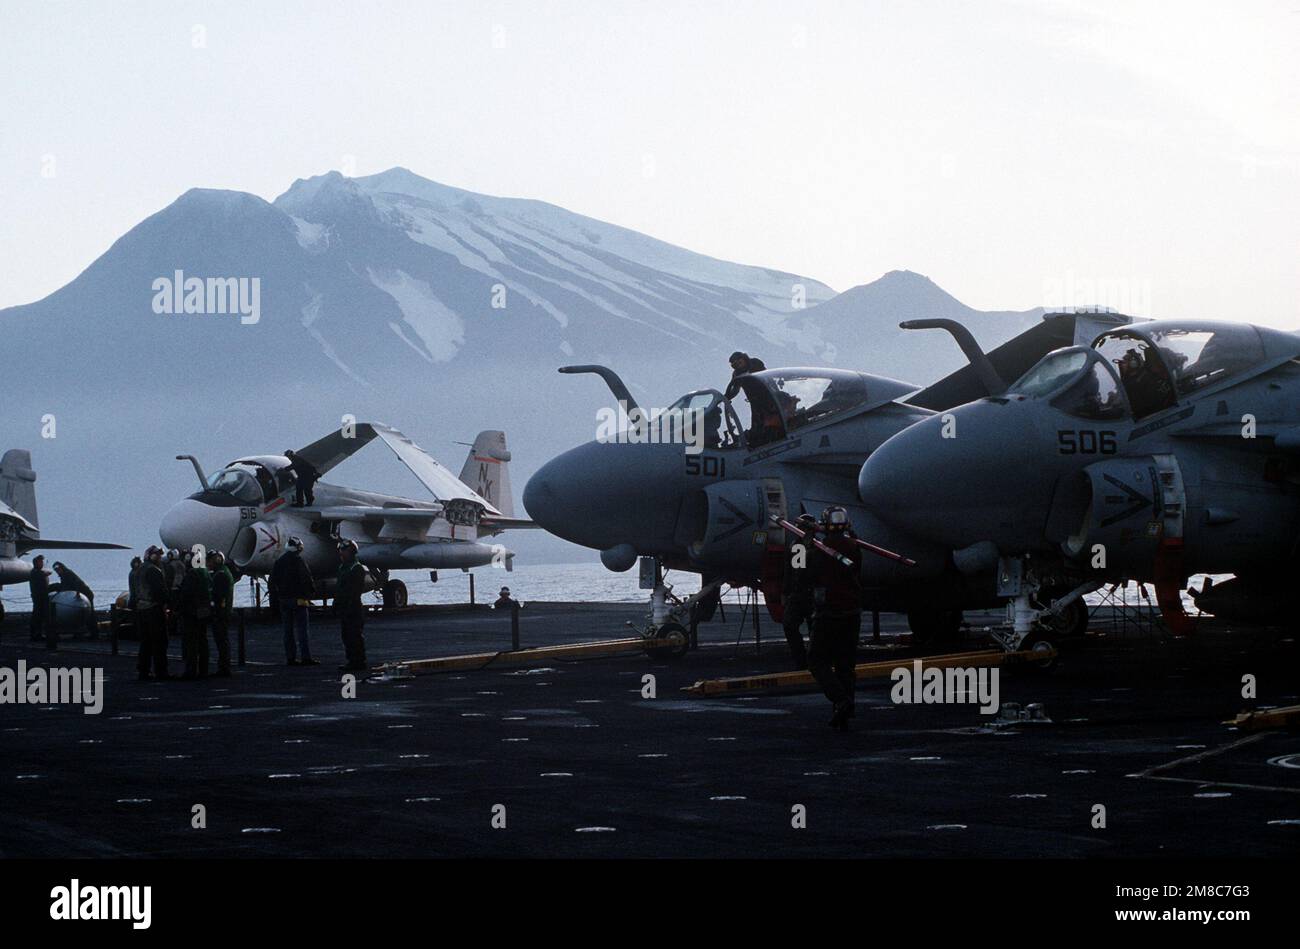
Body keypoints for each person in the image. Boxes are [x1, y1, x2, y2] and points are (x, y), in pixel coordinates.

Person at [807, 505, 863, 730]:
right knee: (845, 666)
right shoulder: (854, 547)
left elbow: (807, 573)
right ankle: (845, 712)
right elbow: (855, 566)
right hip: (852, 613)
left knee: (816, 661)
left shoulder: (820, 549)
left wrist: (809, 539)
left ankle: (840, 701)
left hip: (828, 613)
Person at [781, 513, 819, 669]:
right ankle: (801, 660)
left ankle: (815, 660)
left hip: (813, 595)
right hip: (798, 594)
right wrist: (786, 592)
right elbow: (791, 571)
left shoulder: (819, 548)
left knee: (815, 630)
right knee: (789, 625)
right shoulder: (796, 546)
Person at [271, 536, 317, 665]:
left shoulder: (279, 561)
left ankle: (290, 658)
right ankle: (305, 657)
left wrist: (278, 597)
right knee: (302, 630)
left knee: (288, 630)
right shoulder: (298, 561)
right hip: (298, 599)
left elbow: (273, 581)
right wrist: (310, 594)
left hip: (284, 600)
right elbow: (306, 578)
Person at [136, 546, 171, 681]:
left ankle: (143, 671)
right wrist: (168, 603)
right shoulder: (154, 571)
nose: (159, 557)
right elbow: (160, 592)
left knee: (145, 643)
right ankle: (161, 672)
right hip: (154, 609)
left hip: (141, 609)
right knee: (160, 642)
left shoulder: (139, 570)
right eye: (156, 555)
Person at [334, 539, 368, 672]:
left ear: (352, 552)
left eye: (344, 550)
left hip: (353, 607)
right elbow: (339, 587)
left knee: (355, 635)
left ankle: (359, 661)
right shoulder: (342, 567)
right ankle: (351, 660)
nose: (341, 553)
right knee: (346, 635)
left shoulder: (357, 568)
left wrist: (348, 604)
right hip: (344, 606)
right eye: (341, 551)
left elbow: (355, 590)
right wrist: (336, 602)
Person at [178, 551, 212, 679]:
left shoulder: (192, 573)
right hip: (204, 610)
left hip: (191, 612)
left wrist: (179, 607)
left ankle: (191, 670)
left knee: (191, 642)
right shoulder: (205, 572)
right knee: (203, 640)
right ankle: (204, 670)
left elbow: (186, 593)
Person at [51, 561, 97, 638]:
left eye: (58, 569)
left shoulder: (67, 574)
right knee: (84, 615)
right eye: (56, 570)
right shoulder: (65, 574)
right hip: (81, 595)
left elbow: (75, 584)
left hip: (85, 595)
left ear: (62, 568)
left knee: (90, 615)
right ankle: (85, 632)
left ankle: (94, 633)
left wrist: (77, 592)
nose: (58, 571)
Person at [208, 551, 235, 677]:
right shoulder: (224, 572)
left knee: (221, 640)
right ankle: (224, 666)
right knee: (222, 640)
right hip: (224, 611)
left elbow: (217, 595)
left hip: (220, 613)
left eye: (210, 561)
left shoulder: (220, 575)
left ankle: (224, 667)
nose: (209, 564)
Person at [28, 555, 51, 646]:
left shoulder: (37, 572)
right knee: (37, 617)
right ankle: (35, 634)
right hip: (39, 598)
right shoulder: (35, 573)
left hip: (41, 597)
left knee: (39, 617)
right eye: (40, 562)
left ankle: (38, 634)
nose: (42, 564)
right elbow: (44, 574)